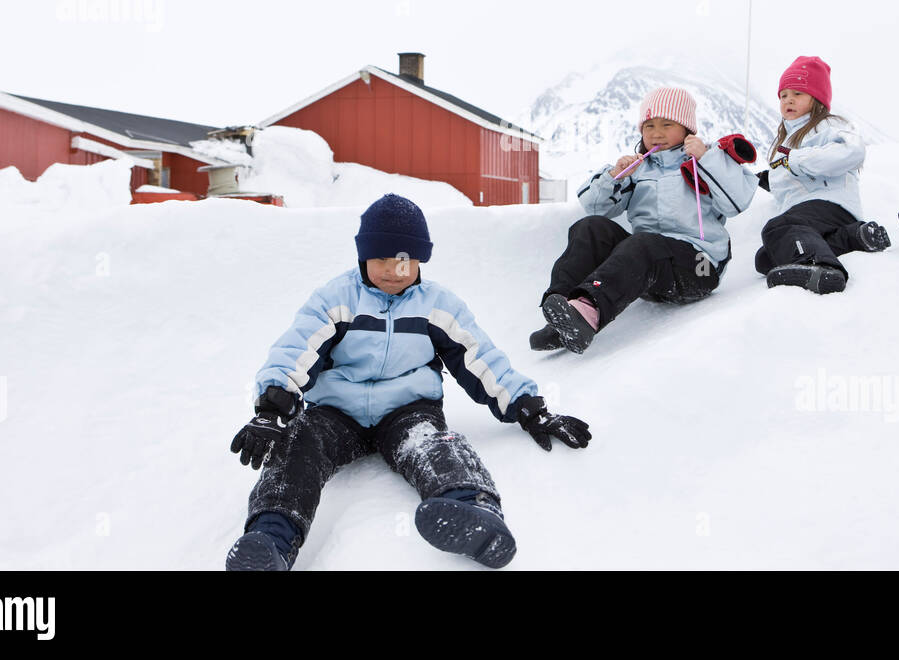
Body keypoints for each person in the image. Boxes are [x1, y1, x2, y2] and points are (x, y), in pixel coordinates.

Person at [226, 194, 590, 571]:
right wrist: (272, 410)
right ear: (362, 256)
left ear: (419, 260)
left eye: (403, 260)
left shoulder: (438, 306)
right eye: (380, 258)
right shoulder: (336, 299)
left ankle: (474, 513)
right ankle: (270, 541)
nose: (392, 270)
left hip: (408, 409)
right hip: (335, 412)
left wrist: (531, 409)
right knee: (297, 445)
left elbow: (481, 360)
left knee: (434, 444)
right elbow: (297, 350)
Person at [532, 87, 760, 353]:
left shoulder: (703, 160)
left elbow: (738, 201)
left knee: (644, 243)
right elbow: (594, 206)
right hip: (650, 270)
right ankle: (562, 313)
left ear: (687, 129)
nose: (656, 133)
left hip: (698, 267)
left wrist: (707, 158)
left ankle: (589, 311)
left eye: (667, 124)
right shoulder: (639, 169)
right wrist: (615, 175)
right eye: (648, 125)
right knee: (590, 228)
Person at [754, 55, 890, 295]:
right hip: (810, 216)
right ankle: (854, 237)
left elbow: (851, 151)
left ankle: (822, 267)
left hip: (830, 205)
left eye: (797, 93)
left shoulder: (828, 126)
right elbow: (793, 175)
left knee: (781, 227)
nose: (789, 100)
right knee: (765, 257)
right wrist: (770, 177)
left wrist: (795, 160)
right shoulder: (787, 138)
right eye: (784, 95)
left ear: (816, 99)